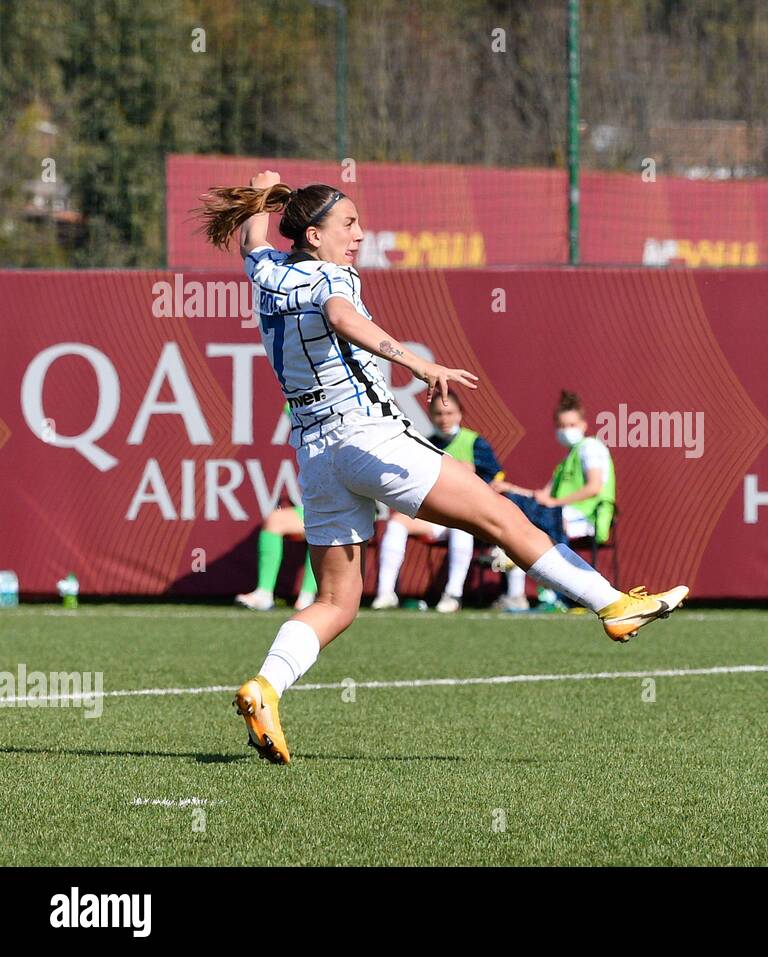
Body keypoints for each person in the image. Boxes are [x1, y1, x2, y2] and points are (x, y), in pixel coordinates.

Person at [198, 171, 688, 765]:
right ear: (313, 233)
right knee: (502, 518)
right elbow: (344, 317)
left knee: (337, 601)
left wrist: (257, 190)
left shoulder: (270, 272)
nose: (359, 233)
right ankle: (611, 605)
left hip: (316, 455)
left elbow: (252, 246)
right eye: (347, 224)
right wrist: (415, 363)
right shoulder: (330, 277)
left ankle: (266, 686)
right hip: (368, 440)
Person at [371, 390, 505, 613]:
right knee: (397, 523)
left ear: (460, 414)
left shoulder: (474, 442)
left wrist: (471, 474)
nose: (444, 419)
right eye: (438, 414)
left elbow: (496, 480)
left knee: (462, 528)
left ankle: (453, 594)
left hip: (469, 517)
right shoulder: (426, 444)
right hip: (437, 516)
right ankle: (386, 593)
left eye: (449, 412)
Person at [491, 390, 615, 611]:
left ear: (584, 425)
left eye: (571, 425)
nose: (566, 431)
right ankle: (517, 593)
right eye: (562, 426)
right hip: (560, 515)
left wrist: (557, 504)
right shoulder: (566, 460)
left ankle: (560, 596)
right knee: (516, 516)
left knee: (530, 524)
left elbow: (594, 487)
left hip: (588, 517)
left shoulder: (591, 447)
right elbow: (543, 498)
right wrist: (510, 488)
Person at [235, 504, 317, 612]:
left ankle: (307, 597)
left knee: (324, 529)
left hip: (342, 514)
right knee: (275, 520)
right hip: (318, 507)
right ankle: (264, 594)